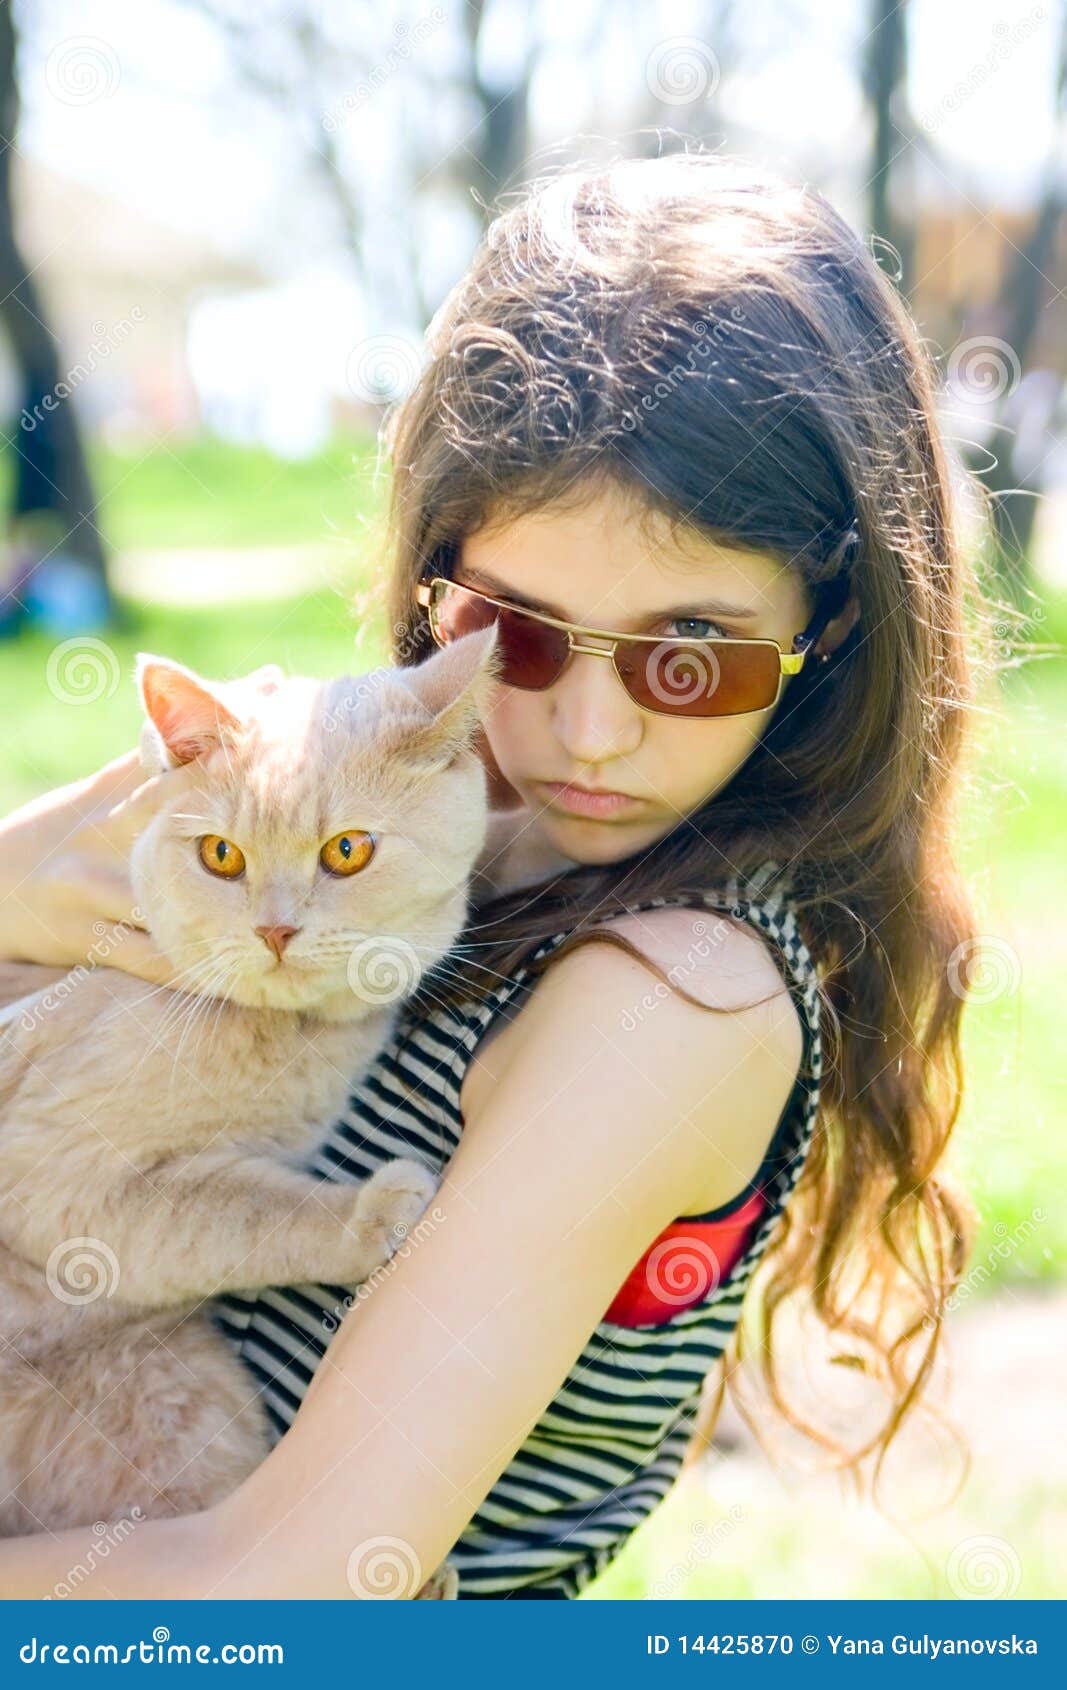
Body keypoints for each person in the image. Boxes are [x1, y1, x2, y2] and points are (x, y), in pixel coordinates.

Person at [0, 148, 988, 1599]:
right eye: (519, 632)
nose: (587, 732)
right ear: (434, 587)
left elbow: (292, 1582)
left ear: (828, 625)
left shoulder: (677, 997)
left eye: (688, 652)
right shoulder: (413, 816)